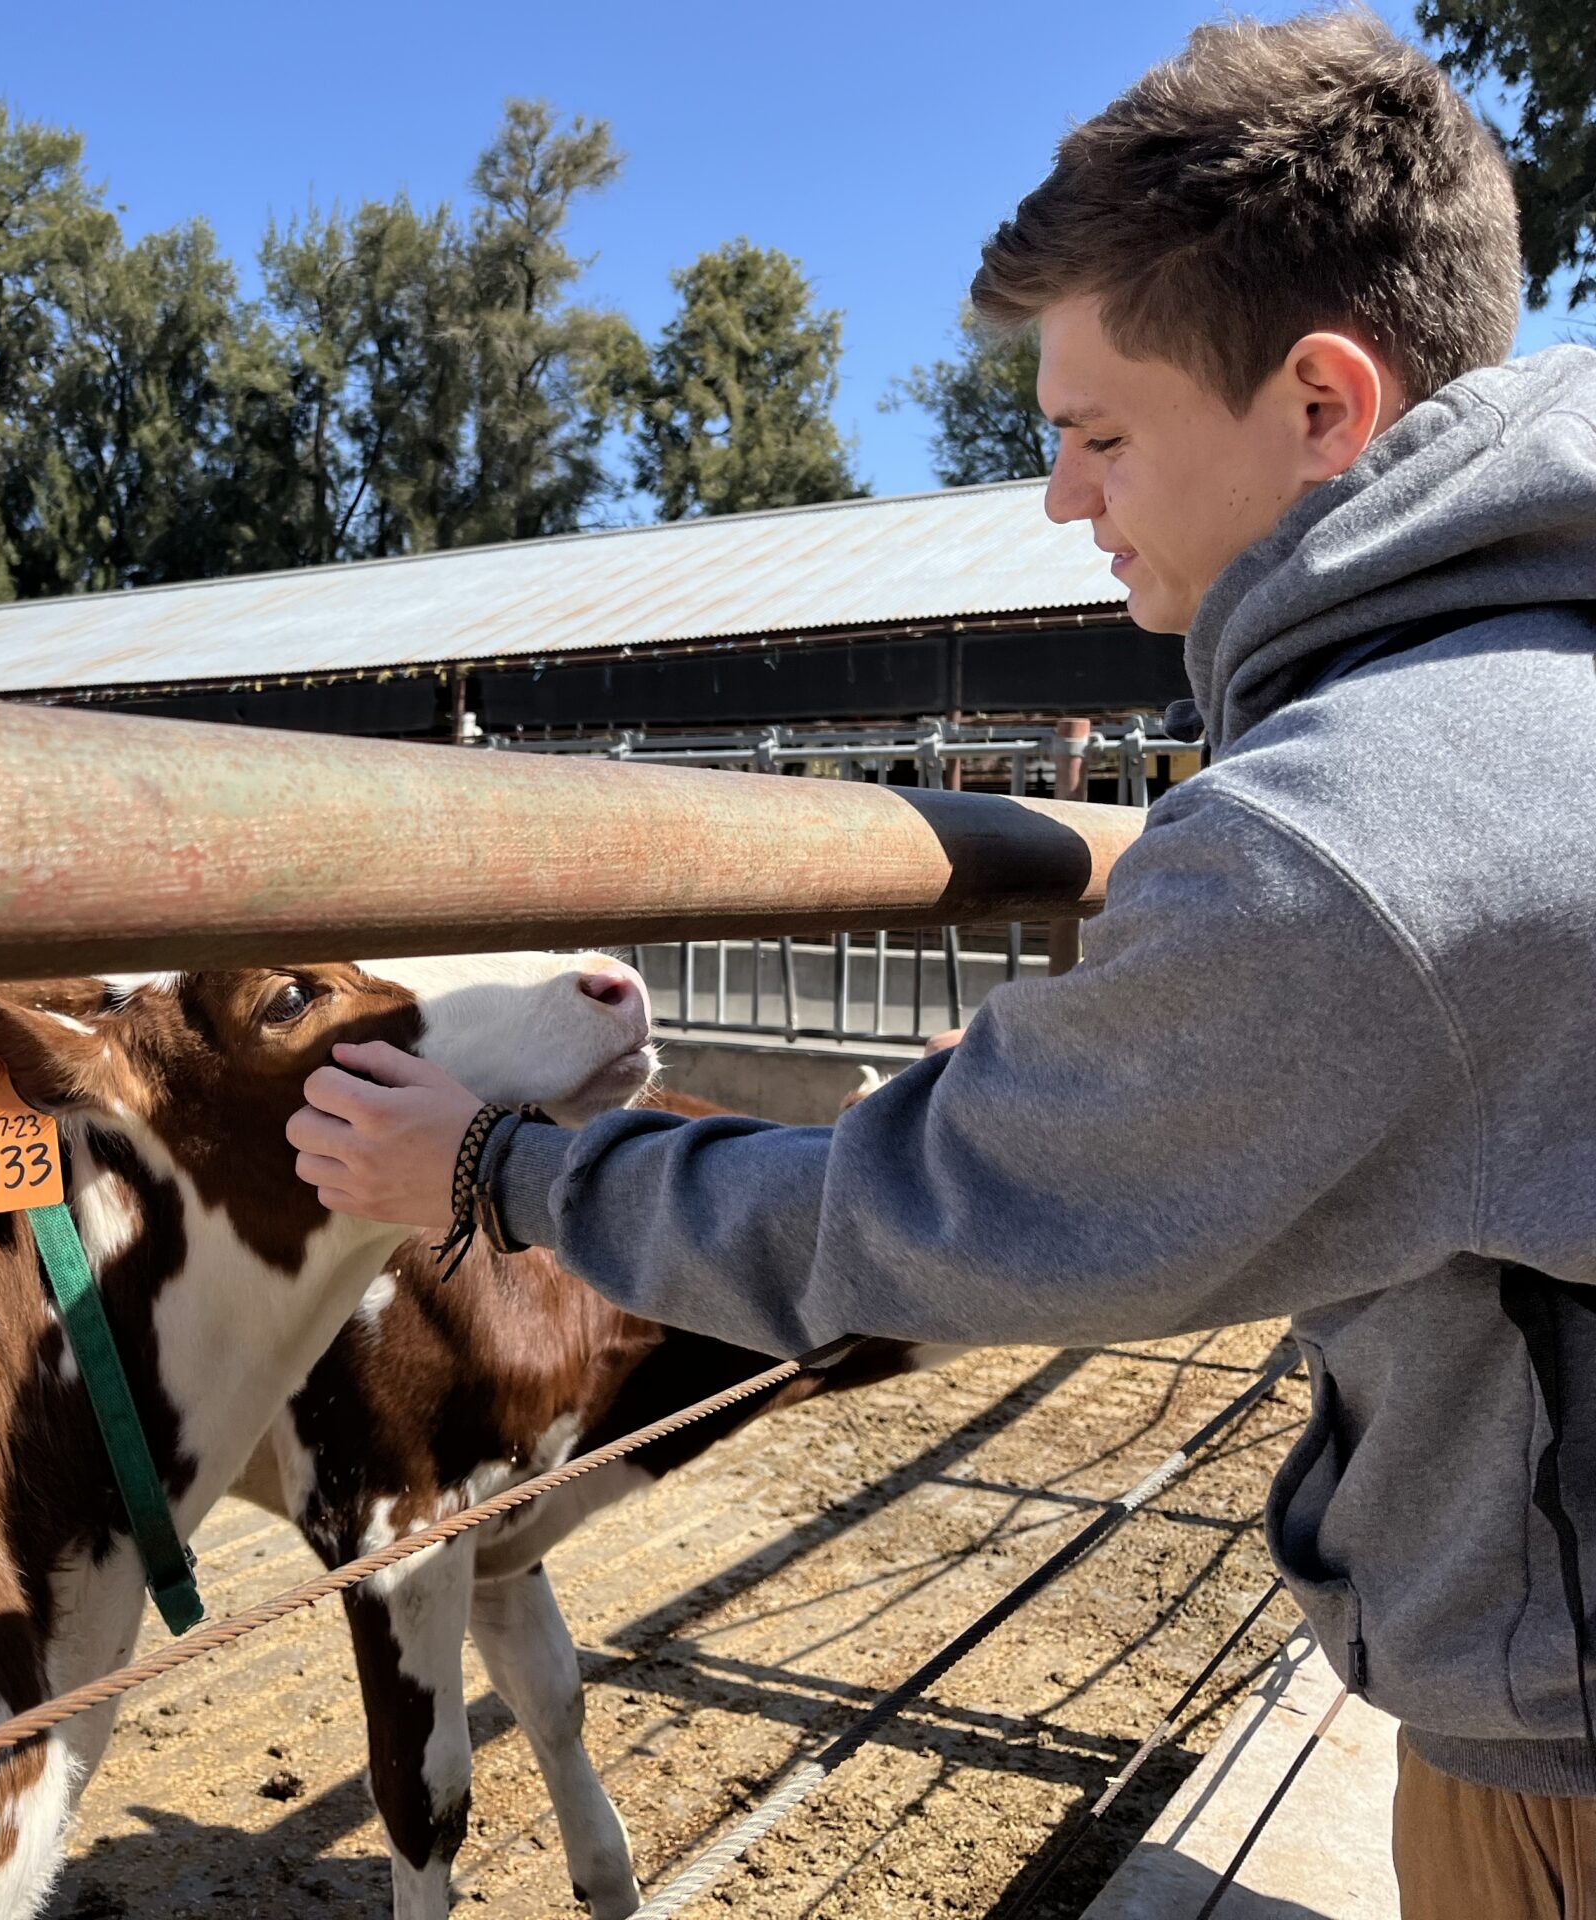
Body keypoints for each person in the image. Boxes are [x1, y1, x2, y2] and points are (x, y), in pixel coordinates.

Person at [287, 10, 1596, 1909]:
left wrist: (501, 1171)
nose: (1062, 495)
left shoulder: (1355, 839)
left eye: (1095, 433)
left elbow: (944, 1217)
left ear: (1323, 404)